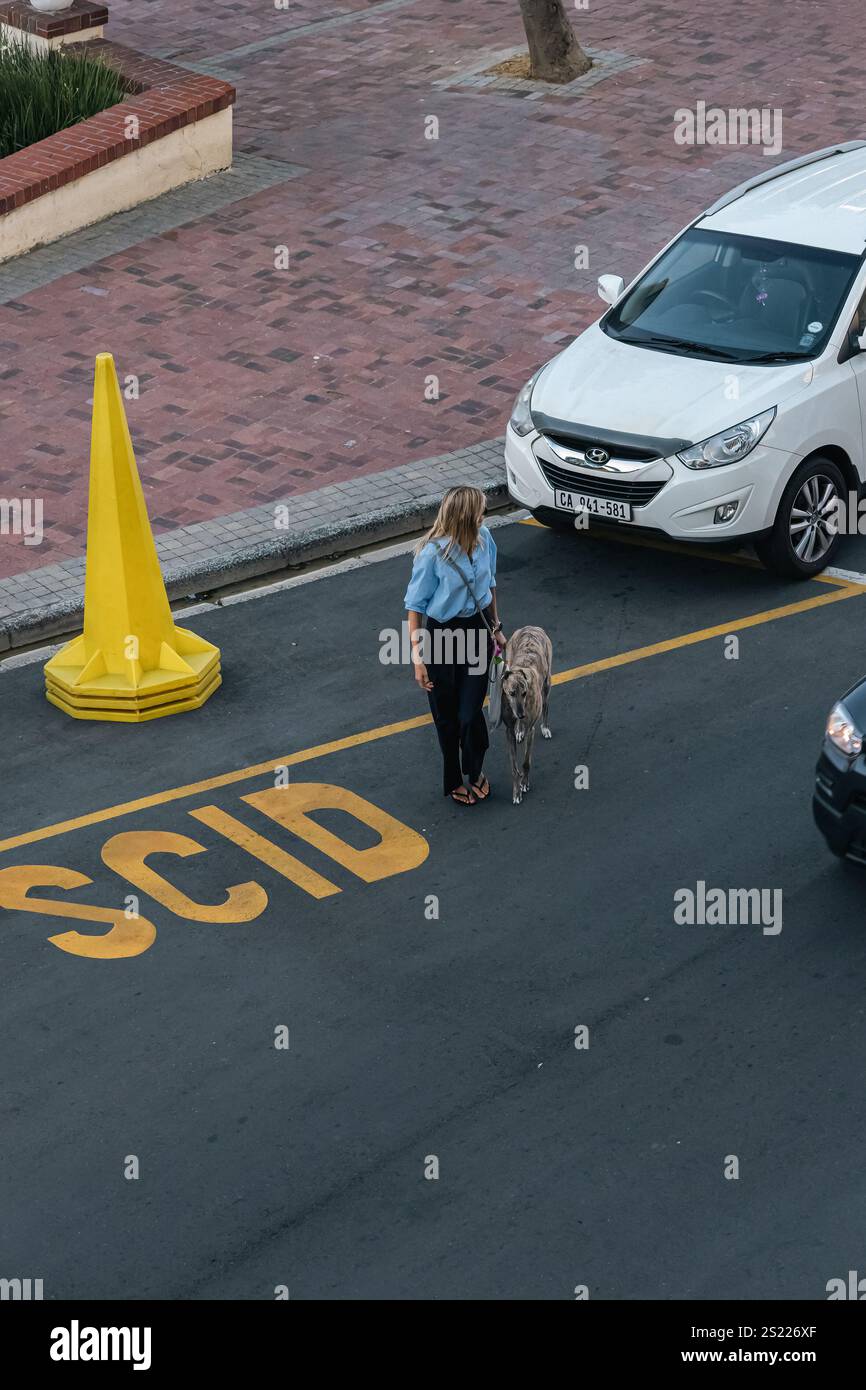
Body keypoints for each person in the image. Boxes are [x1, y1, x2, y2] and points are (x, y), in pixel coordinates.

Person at [404, 486, 506, 805]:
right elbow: (415, 608)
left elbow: (489, 585)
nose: (484, 515)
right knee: (446, 716)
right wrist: (418, 660)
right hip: (441, 638)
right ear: (465, 517)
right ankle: (453, 780)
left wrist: (496, 627)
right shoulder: (431, 554)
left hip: (476, 631)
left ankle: (474, 770)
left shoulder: (485, 538)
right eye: (480, 511)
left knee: (469, 712)